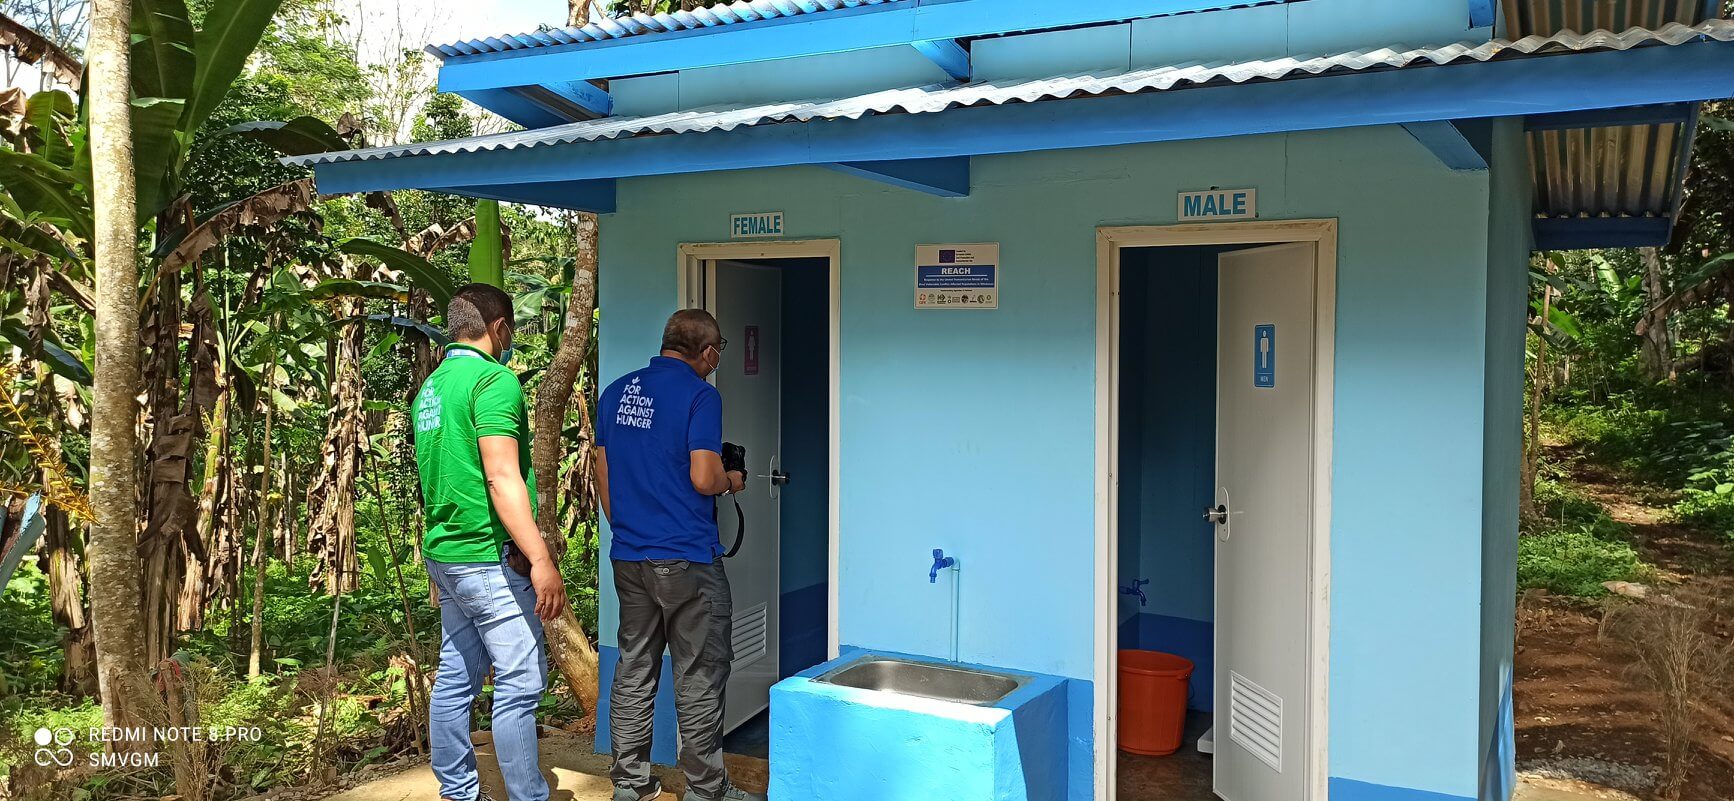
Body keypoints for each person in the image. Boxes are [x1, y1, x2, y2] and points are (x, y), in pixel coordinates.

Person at [596, 309, 761, 801]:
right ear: (707, 353)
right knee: (699, 674)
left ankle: (629, 785)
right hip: (688, 560)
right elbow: (703, 476)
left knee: (634, 668)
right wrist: (732, 481)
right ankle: (706, 789)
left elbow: (602, 471)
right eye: (718, 353)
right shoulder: (700, 395)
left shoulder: (616, 392)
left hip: (629, 556)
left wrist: (627, 528)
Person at [412, 283, 568, 801]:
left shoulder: (432, 387)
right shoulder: (493, 381)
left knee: (456, 674)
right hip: (487, 557)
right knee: (520, 684)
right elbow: (502, 478)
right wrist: (541, 559)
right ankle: (528, 796)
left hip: (447, 555)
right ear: (499, 328)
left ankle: (459, 792)